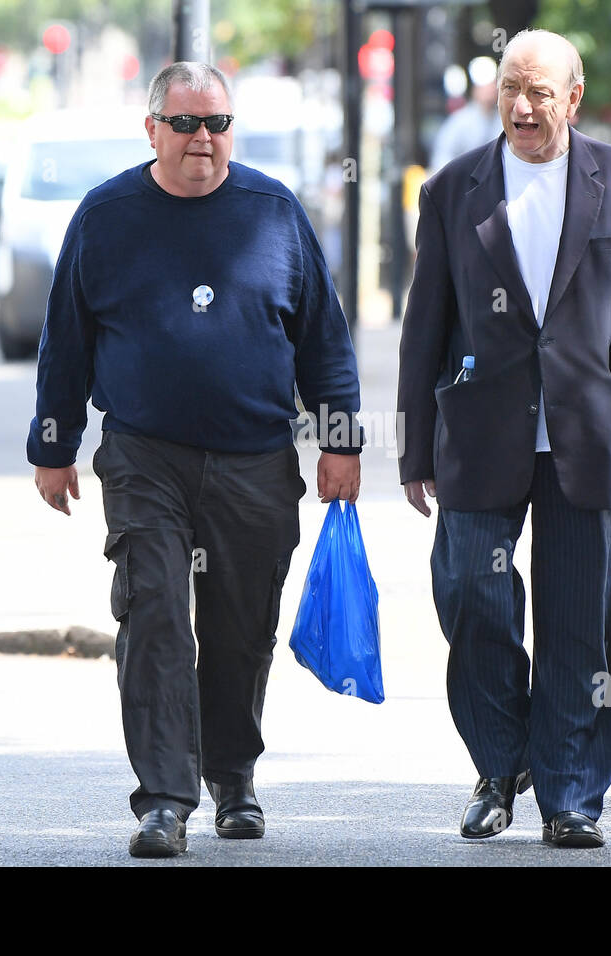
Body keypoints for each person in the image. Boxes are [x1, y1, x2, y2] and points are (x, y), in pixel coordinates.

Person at [27, 61, 362, 858]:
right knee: (156, 615)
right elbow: (65, 341)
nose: (202, 139)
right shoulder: (105, 216)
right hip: (146, 455)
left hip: (255, 458)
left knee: (242, 630)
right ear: (153, 130)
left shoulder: (274, 213)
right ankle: (165, 800)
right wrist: (53, 444)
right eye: (184, 124)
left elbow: (324, 338)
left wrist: (342, 440)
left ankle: (234, 778)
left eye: (215, 123)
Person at [396, 29, 611, 848]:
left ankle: (570, 793)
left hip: (588, 433)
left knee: (580, 621)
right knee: (470, 597)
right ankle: (500, 766)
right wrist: (413, 447)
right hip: (478, 430)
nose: (522, 108)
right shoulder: (454, 188)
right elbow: (423, 324)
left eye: (539, 92)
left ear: (573, 96)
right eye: (509, 90)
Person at [430, 57, 503, 173]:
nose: (489, 90)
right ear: (475, 88)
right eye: (484, 86)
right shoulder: (459, 122)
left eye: (491, 85)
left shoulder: (503, 120)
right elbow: (442, 158)